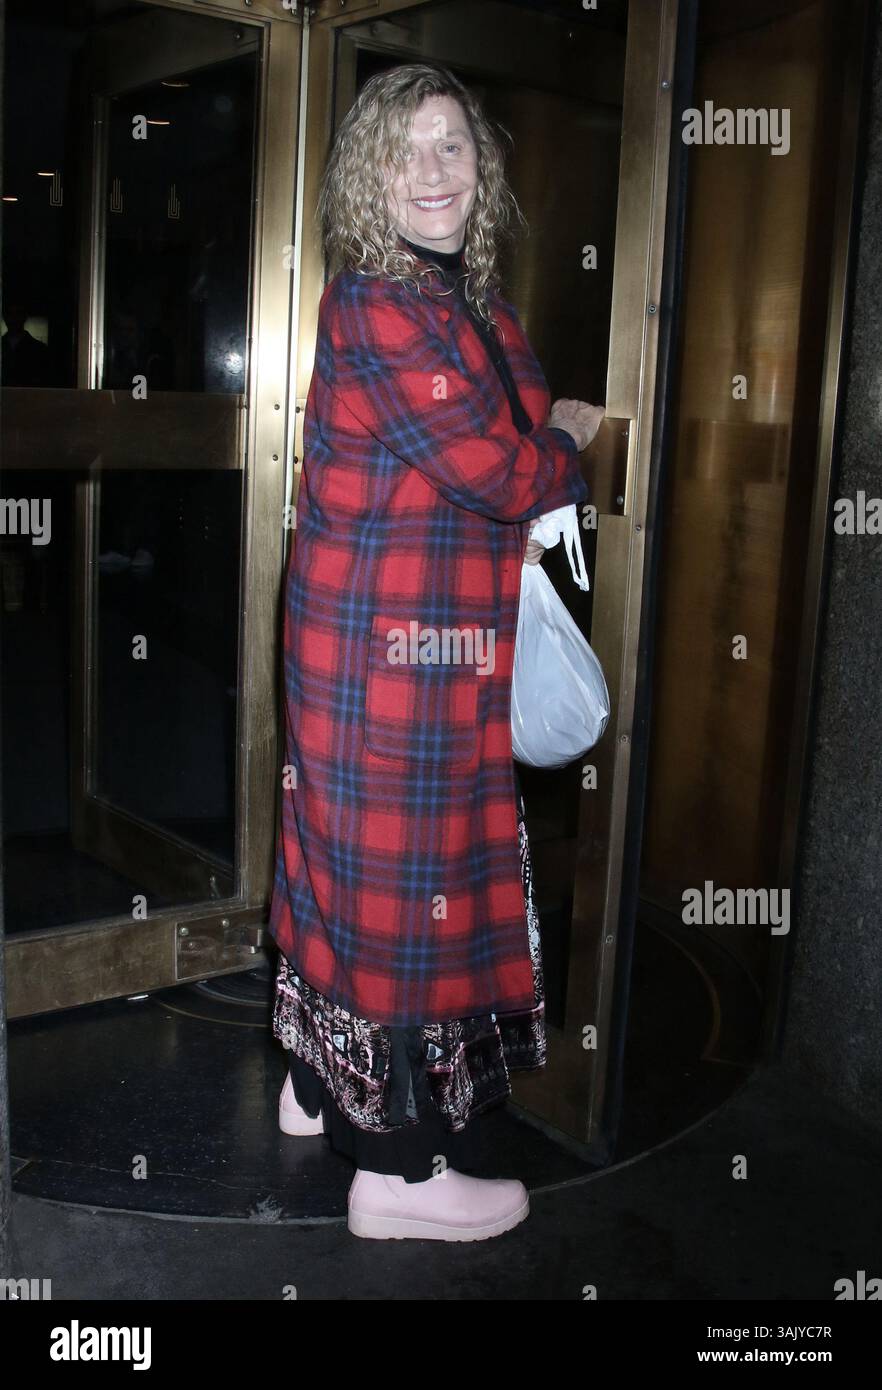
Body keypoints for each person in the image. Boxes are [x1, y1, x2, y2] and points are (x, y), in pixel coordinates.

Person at [268, 61, 604, 1243]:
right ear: (370, 174)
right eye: (405, 149)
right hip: (387, 663)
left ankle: (317, 1086)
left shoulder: (477, 306)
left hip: (417, 647)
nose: (432, 169)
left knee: (345, 875)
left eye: (453, 144)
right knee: (397, 898)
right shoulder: (377, 302)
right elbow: (503, 465)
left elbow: (512, 403)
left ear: (482, 168)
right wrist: (569, 453)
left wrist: (540, 426)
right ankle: (396, 1178)